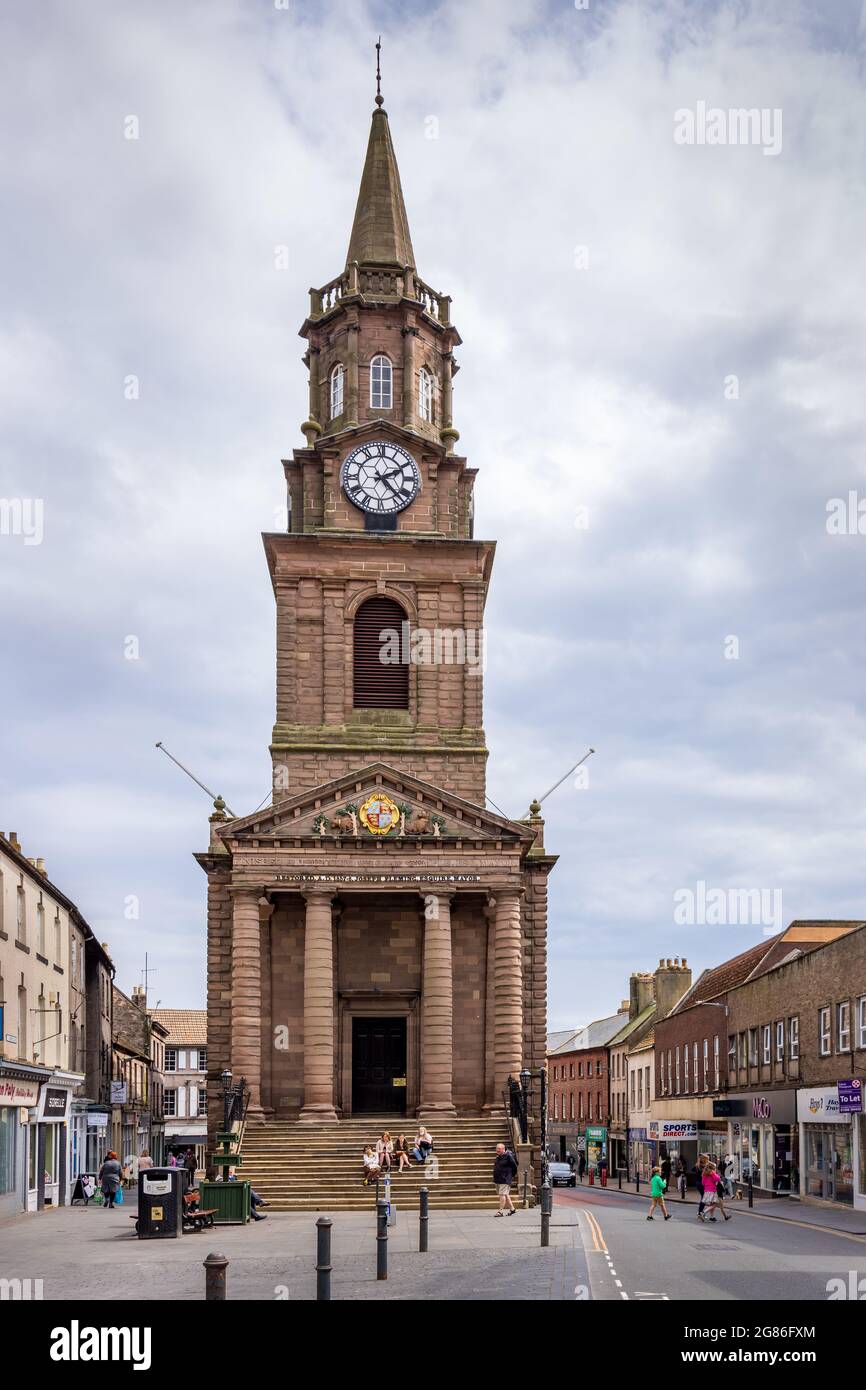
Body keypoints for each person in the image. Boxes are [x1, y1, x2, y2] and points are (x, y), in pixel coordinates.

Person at [493, 1142, 518, 1216]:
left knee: (502, 1195)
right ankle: (512, 1209)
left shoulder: (508, 1156)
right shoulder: (498, 1156)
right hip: (498, 1179)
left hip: (505, 1179)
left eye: (499, 1149)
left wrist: (510, 1176)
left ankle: (500, 1211)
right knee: (505, 1194)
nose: (497, 1150)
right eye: (497, 1148)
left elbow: (515, 1167)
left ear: (503, 1149)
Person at [693, 1153, 709, 1219]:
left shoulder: (697, 1165)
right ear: (705, 1159)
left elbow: (692, 1170)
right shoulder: (703, 1167)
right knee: (704, 1198)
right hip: (702, 1183)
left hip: (698, 1183)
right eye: (707, 1159)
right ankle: (700, 1213)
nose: (708, 1160)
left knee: (704, 1197)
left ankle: (700, 1212)